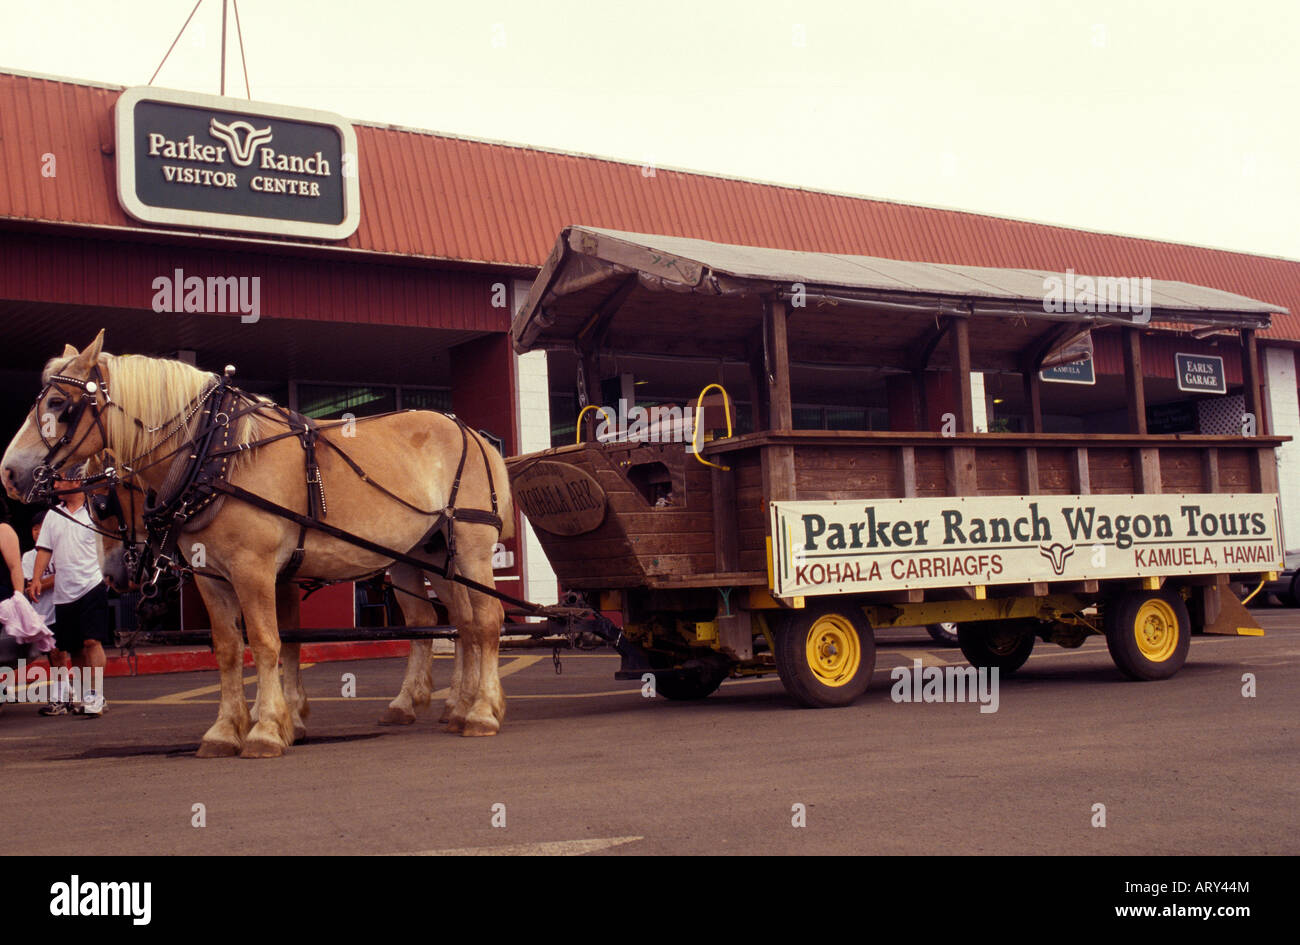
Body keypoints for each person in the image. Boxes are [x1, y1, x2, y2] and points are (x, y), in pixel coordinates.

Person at [28, 482, 110, 716]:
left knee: (92, 642)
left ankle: (96, 695)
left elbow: (111, 542)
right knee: (74, 648)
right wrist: (35, 579)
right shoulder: (53, 515)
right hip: (64, 591)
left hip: (92, 583)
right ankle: (86, 695)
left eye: (60, 479)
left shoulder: (97, 510)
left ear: (77, 481)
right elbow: (45, 549)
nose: (55, 485)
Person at [22, 511, 62, 706]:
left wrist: (40, 582)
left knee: (58, 652)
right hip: (42, 614)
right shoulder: (29, 557)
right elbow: (29, 585)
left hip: (60, 609)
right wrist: (47, 581)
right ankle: (66, 691)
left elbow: (62, 575)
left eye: (41, 528)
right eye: (34, 529)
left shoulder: (60, 551)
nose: (38, 532)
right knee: (52, 655)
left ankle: (61, 696)